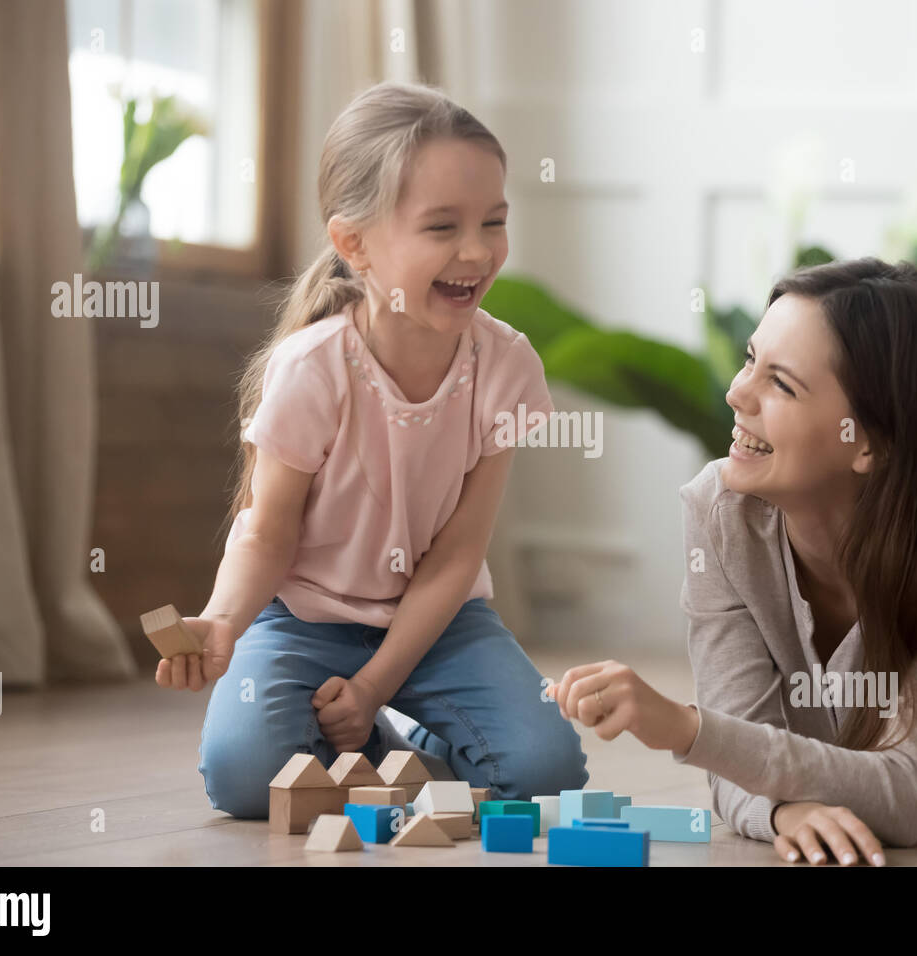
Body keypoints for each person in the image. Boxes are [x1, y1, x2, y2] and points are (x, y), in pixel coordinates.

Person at [551, 258, 917, 864]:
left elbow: (906, 794)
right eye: (750, 358)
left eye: (781, 384)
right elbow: (737, 751)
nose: (735, 391)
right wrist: (782, 811)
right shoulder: (718, 512)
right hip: (841, 751)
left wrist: (684, 726)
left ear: (869, 441)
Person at [155, 81, 588, 818]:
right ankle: (379, 745)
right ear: (354, 243)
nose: (477, 252)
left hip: (440, 617)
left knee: (547, 769)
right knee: (243, 777)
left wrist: (374, 685)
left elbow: (457, 554)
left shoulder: (507, 367)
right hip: (299, 618)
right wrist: (223, 621)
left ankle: (396, 730)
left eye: (493, 221)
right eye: (442, 227)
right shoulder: (312, 368)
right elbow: (266, 530)